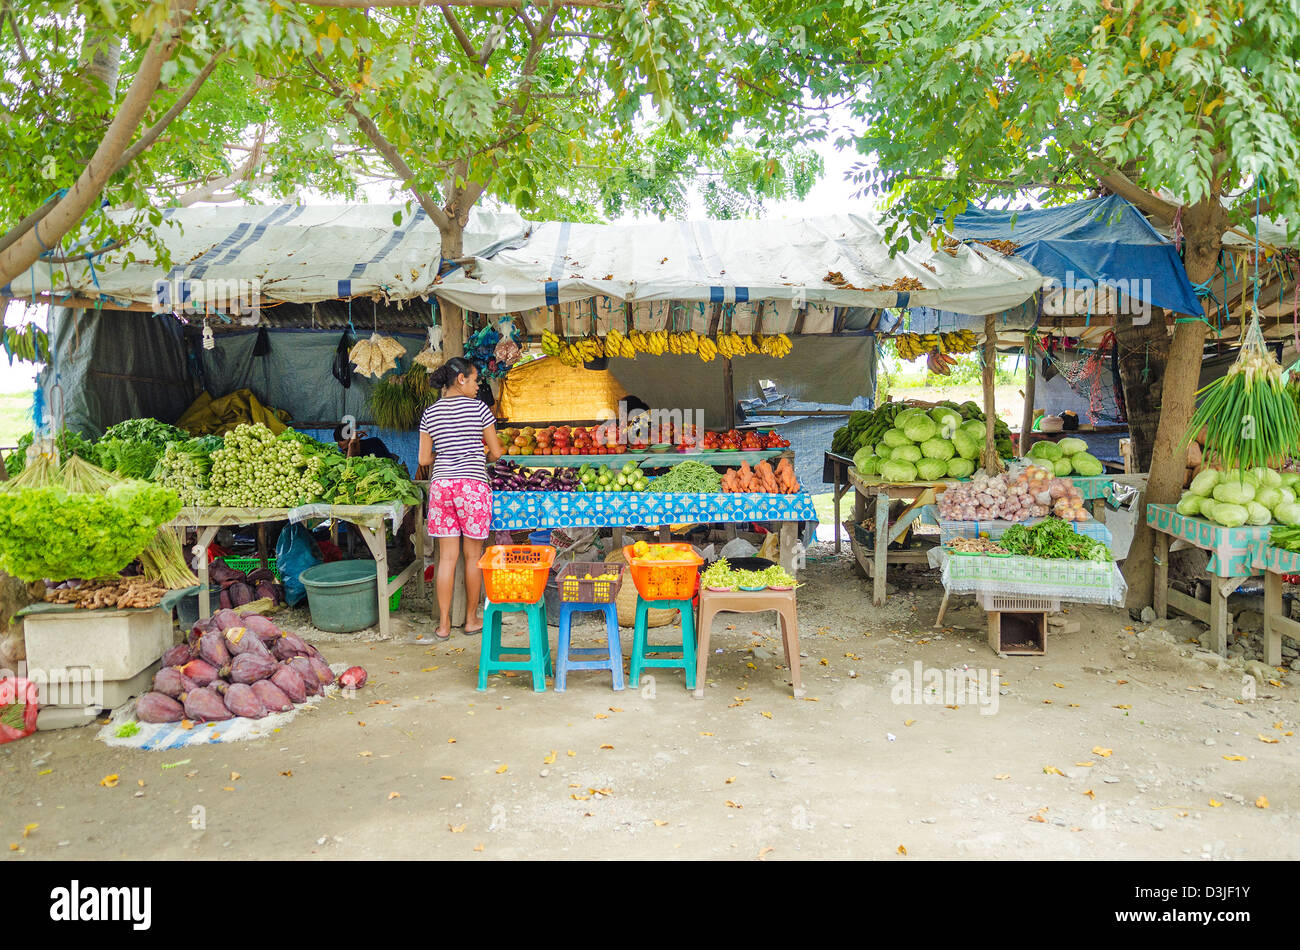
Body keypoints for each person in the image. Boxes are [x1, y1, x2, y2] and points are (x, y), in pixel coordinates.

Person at [418, 357, 504, 641]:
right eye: (476, 379)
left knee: (446, 559)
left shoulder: (430, 413)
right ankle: (469, 619)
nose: (479, 385)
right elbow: (497, 452)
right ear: (461, 379)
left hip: (441, 486)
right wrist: (483, 457)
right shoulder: (480, 410)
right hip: (472, 486)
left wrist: (443, 458)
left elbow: (423, 458)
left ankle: (443, 625)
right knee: (472, 557)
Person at [333, 424, 398, 462]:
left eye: (347, 449)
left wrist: (352, 444)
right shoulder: (340, 456)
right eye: (343, 450)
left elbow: (390, 463)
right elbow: (346, 473)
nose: (346, 452)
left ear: (357, 439)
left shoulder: (374, 444)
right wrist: (351, 445)